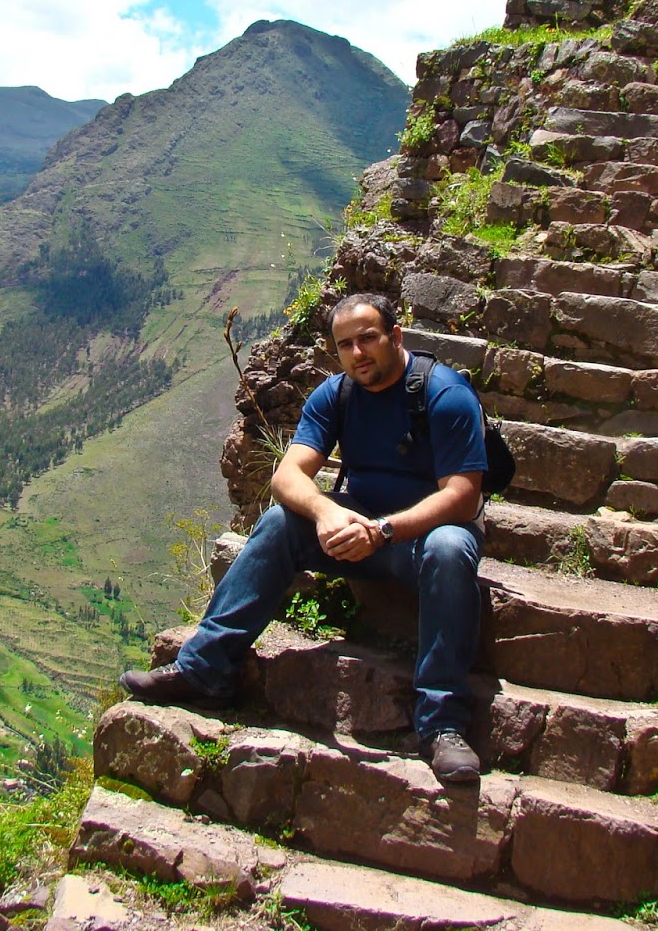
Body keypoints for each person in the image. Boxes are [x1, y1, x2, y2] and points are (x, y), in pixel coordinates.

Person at [120, 292, 488, 784]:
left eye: (368, 338)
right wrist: (327, 512)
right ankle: (206, 668)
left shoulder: (446, 394)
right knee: (279, 522)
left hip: (423, 536)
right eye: (345, 345)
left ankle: (442, 723)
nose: (357, 353)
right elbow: (287, 476)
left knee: (450, 548)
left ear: (395, 336)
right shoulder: (336, 395)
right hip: (359, 526)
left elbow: (463, 496)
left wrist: (383, 531)